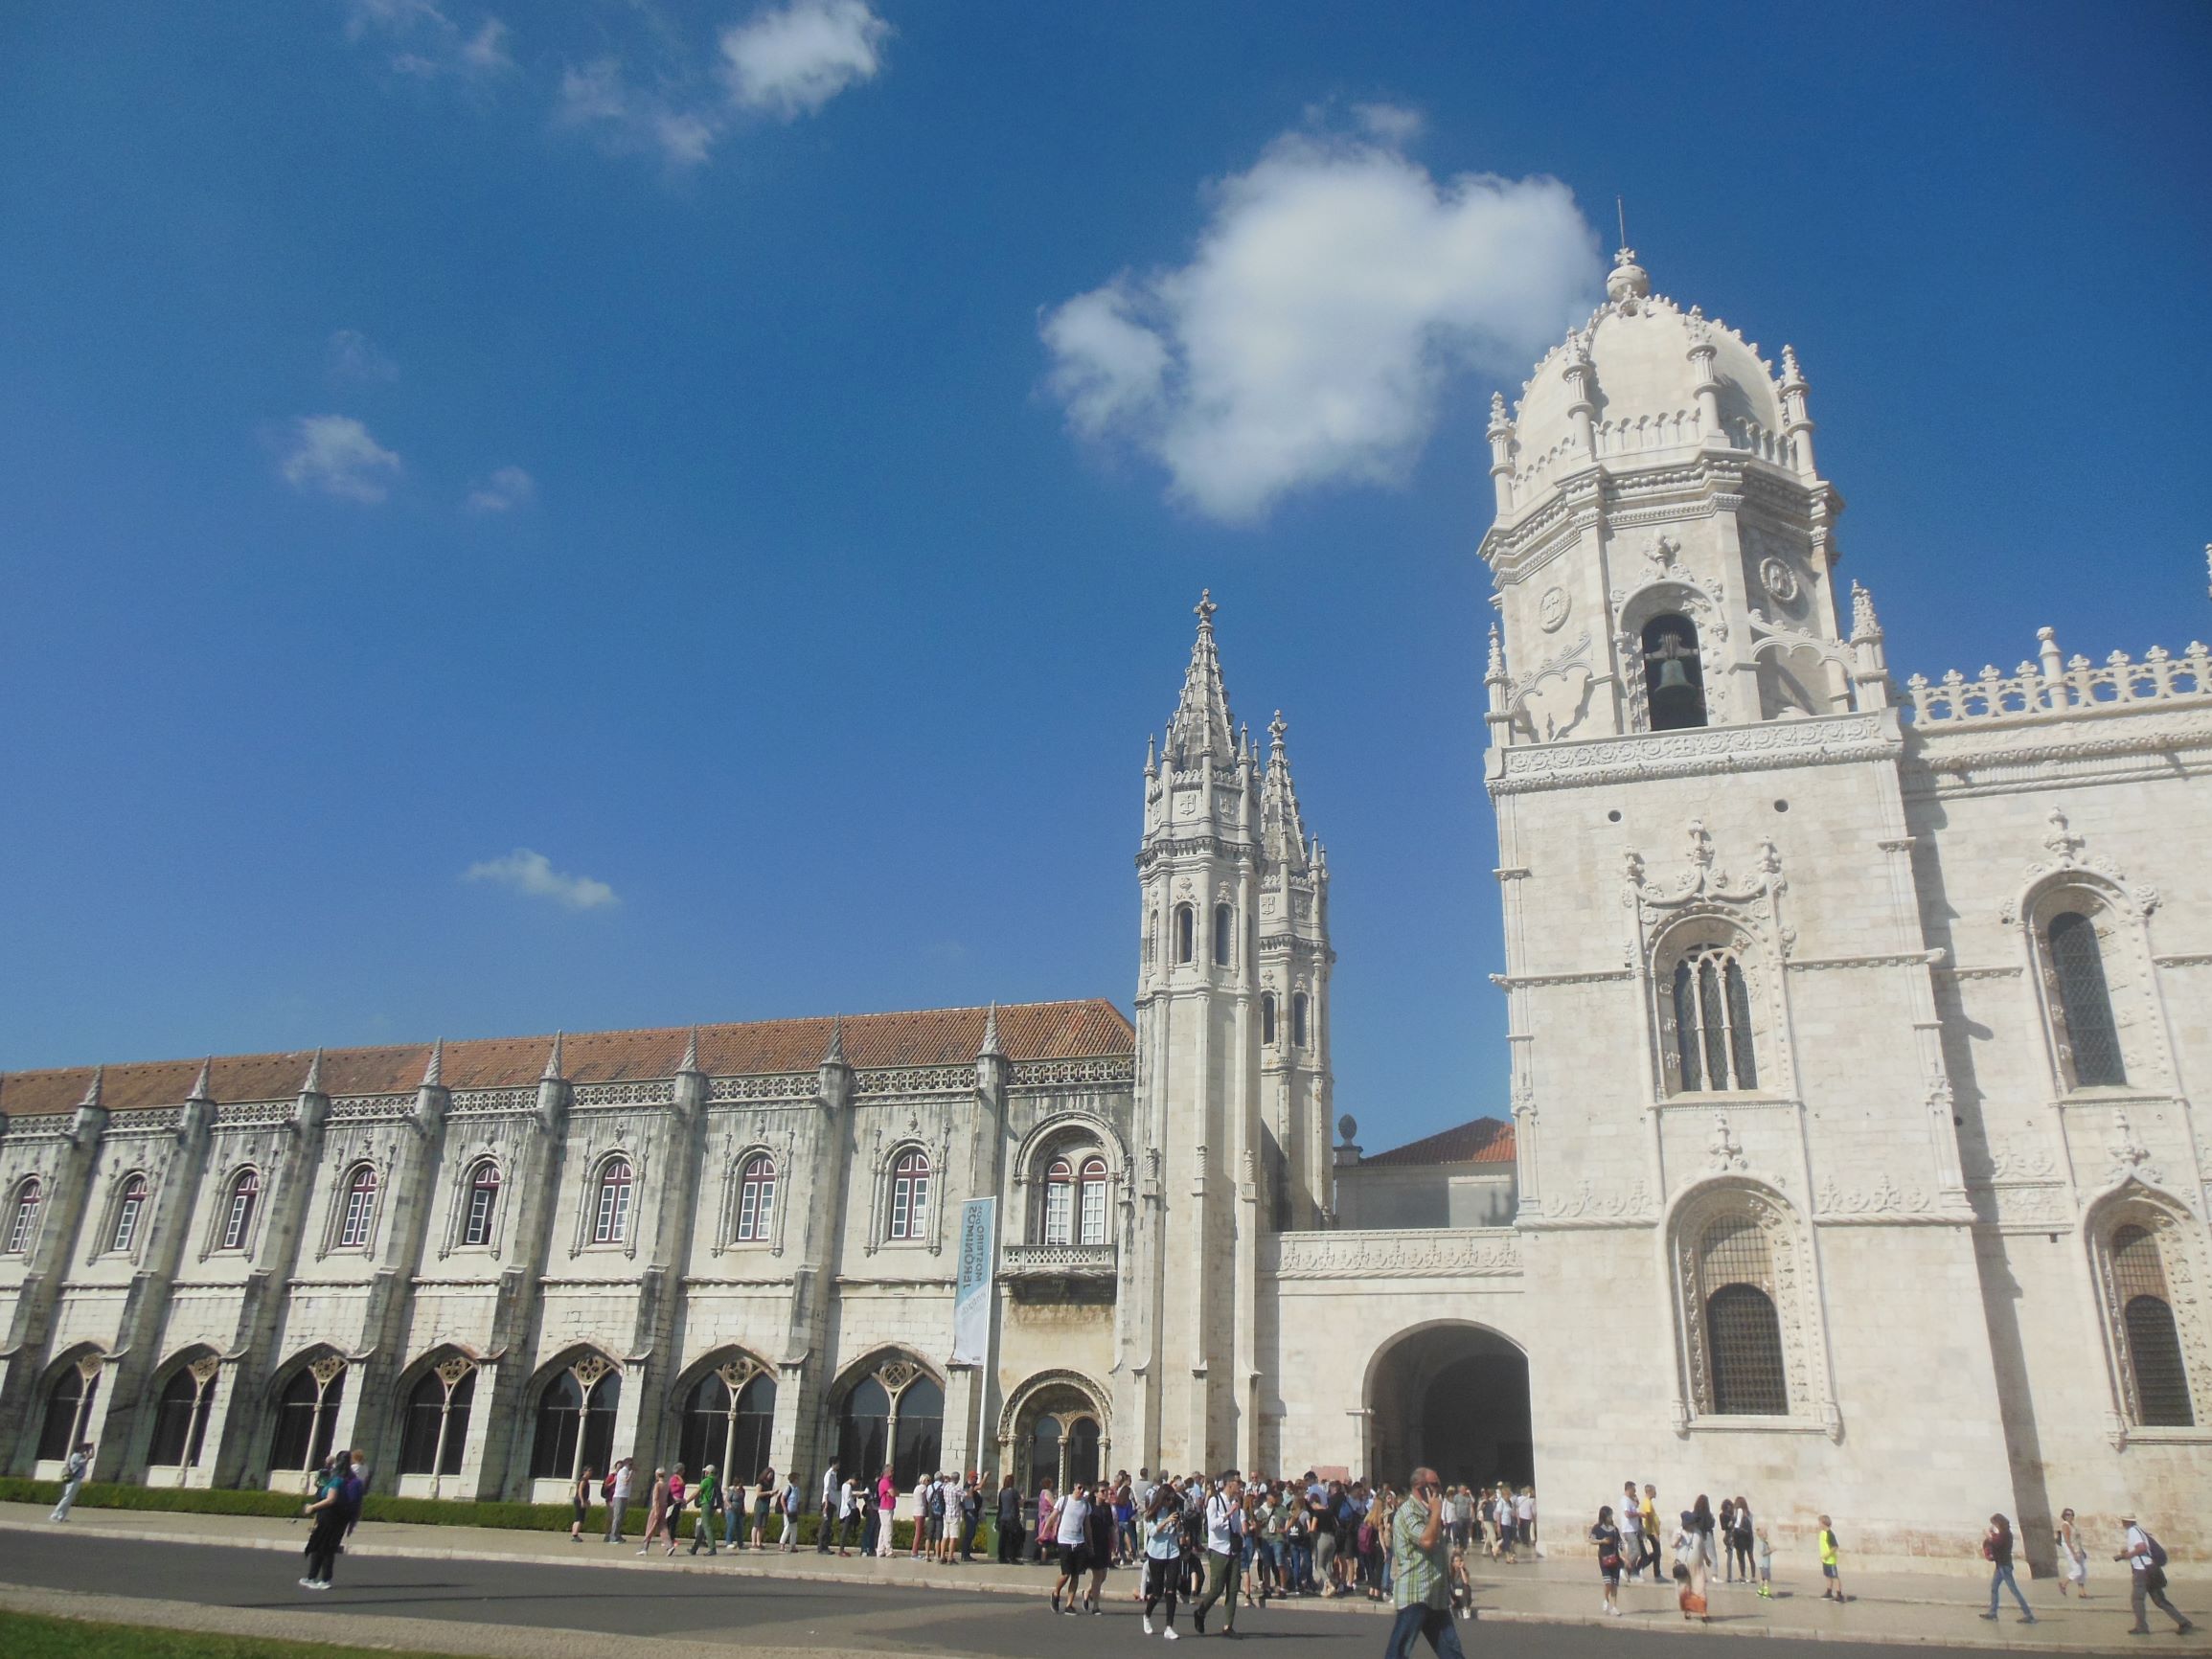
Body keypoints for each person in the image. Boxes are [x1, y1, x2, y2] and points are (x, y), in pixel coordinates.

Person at [1384, 1466, 1467, 1659]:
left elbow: (1438, 1554)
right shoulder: (1408, 1511)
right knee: (1399, 1650)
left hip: (1436, 1595)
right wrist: (1437, 1511)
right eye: (1435, 1485)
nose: (1440, 1489)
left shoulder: (1430, 1513)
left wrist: (1449, 1589)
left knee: (1451, 1650)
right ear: (1420, 1487)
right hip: (1416, 1593)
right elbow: (1427, 1541)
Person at [2117, 1514, 2193, 1636]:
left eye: (2122, 1521)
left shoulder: (2132, 1531)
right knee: (2159, 1600)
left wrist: (2128, 1555)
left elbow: (2141, 1548)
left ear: (2126, 1522)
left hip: (2142, 1571)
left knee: (2137, 1599)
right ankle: (2184, 1622)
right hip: (2150, 1569)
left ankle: (2141, 1627)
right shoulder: (2139, 1530)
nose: (2121, 1523)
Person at [1192, 1471, 1244, 1636]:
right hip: (1219, 1550)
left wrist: (1240, 1539)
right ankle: (1200, 1612)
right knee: (1217, 1588)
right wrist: (1228, 1514)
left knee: (1233, 1588)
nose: (1240, 1485)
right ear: (1229, 1483)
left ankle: (1228, 1626)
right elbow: (1212, 1526)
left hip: (1233, 1550)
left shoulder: (1235, 1502)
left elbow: (1236, 1526)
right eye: (1238, 1482)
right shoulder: (1215, 1501)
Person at [1049, 1478, 1094, 1613]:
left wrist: (1090, 1543)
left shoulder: (1085, 1505)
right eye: (1079, 1488)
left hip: (1079, 1541)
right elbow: (1052, 1517)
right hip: (1064, 1541)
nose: (1081, 1491)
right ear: (1074, 1487)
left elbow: (1087, 1526)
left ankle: (1069, 1604)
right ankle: (1056, 1592)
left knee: (1076, 1574)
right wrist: (1046, 1531)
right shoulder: (1064, 1500)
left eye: (1083, 1489)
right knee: (1066, 1573)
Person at [1979, 1512, 2034, 1624]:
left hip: (2004, 1566)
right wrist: (1992, 1535)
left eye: (1994, 1524)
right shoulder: (2004, 1534)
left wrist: (1989, 1536)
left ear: (1999, 1523)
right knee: (1994, 1588)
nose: (1994, 1526)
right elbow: (1996, 1542)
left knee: (2014, 1590)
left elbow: (1997, 1544)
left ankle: (2028, 1614)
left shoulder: (2006, 1534)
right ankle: (1993, 1613)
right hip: (2000, 1566)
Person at [1590, 1505, 1625, 1618]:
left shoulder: (1614, 1529)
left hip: (1615, 1559)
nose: (1611, 1517)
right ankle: (1605, 1599)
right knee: (1608, 1582)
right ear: (1604, 1516)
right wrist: (1602, 1541)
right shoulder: (1597, 1528)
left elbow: (1620, 1542)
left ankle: (1614, 1607)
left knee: (1615, 1583)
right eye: (1609, 1515)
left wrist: (1625, 1555)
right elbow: (1591, 1540)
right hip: (1604, 1559)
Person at [49, 1442, 92, 1523]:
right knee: (67, 1498)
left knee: (70, 1499)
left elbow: (90, 1457)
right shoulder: (76, 1456)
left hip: (77, 1479)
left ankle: (61, 1516)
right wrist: (87, 1455)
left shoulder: (80, 1456)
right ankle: (54, 1515)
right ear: (79, 1449)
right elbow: (84, 1462)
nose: (84, 1449)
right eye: (83, 1448)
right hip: (73, 1479)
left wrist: (91, 1448)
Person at [2055, 1508, 2088, 1599]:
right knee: (2077, 1570)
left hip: (2078, 1549)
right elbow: (2067, 1540)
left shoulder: (2073, 1525)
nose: (2070, 1516)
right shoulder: (2065, 1525)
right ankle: (2063, 1583)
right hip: (2071, 1550)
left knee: (2083, 1570)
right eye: (2068, 1514)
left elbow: (2077, 1540)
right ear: (2064, 1516)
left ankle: (2081, 1592)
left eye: (2072, 1514)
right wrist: (2073, 1553)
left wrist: (2082, 1551)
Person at [638, 1466, 671, 1554]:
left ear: (657, 1475)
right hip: (664, 1507)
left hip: (657, 1507)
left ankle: (644, 1548)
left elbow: (655, 1499)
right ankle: (669, 1546)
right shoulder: (667, 1485)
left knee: (650, 1527)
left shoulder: (657, 1485)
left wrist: (656, 1510)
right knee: (663, 1527)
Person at [689, 1465, 719, 1556]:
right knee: (702, 1528)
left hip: (706, 1504)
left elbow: (697, 1492)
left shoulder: (706, 1481)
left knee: (706, 1526)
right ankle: (694, 1549)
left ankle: (712, 1548)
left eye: (705, 1471)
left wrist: (687, 1501)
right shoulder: (715, 1481)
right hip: (712, 1505)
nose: (705, 1473)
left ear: (708, 1472)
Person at [662, 1465, 689, 1557]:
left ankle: (671, 1538)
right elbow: (681, 1485)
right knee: (671, 1521)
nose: (684, 1472)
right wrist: (678, 1476)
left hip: (678, 1502)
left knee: (674, 1521)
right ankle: (669, 1539)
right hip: (674, 1502)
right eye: (682, 1470)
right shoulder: (674, 1478)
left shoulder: (678, 1478)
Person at [997, 1472, 1024, 1564]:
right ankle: (1013, 1557)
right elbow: (1021, 1503)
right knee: (1015, 1538)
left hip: (1003, 1517)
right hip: (1012, 1518)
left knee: (1003, 1538)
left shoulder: (1002, 1492)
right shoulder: (1013, 1491)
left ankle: (1001, 1557)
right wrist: (1022, 1496)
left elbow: (1000, 1505)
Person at [1817, 1513, 1843, 1602]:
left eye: (1820, 1523)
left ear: (1824, 1523)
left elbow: (1835, 1547)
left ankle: (1839, 1595)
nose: (1819, 1525)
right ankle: (1829, 1593)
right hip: (1825, 1560)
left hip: (1830, 1560)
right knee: (1827, 1576)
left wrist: (1827, 1555)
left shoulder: (1830, 1534)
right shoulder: (1822, 1533)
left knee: (1835, 1577)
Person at [606, 1458, 633, 1543]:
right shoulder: (623, 1471)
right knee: (617, 1517)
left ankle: (617, 1534)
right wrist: (631, 1474)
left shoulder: (627, 1472)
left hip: (624, 1496)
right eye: (631, 1464)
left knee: (621, 1517)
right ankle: (613, 1536)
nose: (632, 1466)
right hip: (619, 1496)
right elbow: (626, 1482)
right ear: (627, 1464)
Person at [817, 1460, 839, 1554]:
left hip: (832, 1502)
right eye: (838, 1464)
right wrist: (826, 1503)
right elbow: (826, 1489)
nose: (839, 1465)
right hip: (828, 1502)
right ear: (833, 1464)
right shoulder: (828, 1475)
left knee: (828, 1525)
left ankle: (825, 1546)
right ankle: (822, 1547)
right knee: (825, 1525)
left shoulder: (834, 1475)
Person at [751, 1467, 776, 1550]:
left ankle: (759, 1542)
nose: (770, 1476)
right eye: (770, 1474)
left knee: (762, 1525)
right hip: (760, 1504)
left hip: (766, 1504)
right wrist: (768, 1492)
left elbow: (768, 1495)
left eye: (772, 1475)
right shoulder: (760, 1482)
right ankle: (753, 1542)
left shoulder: (769, 1484)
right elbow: (758, 1494)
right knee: (756, 1524)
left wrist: (774, 1493)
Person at [876, 1465, 898, 1557]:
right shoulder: (885, 1481)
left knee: (883, 1530)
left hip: (889, 1508)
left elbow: (896, 1492)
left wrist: (893, 1492)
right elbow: (893, 1493)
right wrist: (892, 1492)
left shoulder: (890, 1482)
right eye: (892, 1471)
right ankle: (889, 1550)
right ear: (887, 1472)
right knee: (888, 1529)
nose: (893, 1472)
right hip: (886, 1508)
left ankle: (880, 1550)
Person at [571, 1465, 596, 1542]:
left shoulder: (585, 1480)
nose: (591, 1472)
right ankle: (575, 1535)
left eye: (591, 1471)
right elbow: (580, 1490)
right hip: (579, 1500)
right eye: (589, 1471)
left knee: (579, 1518)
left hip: (582, 1499)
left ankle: (574, 1534)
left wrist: (587, 1500)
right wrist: (582, 1500)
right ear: (585, 1472)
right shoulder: (583, 1480)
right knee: (579, 1518)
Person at [779, 1470, 802, 1551]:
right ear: (794, 1479)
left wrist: (798, 1509)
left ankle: (793, 1545)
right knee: (787, 1527)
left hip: (794, 1511)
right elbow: (782, 1499)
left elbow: (798, 1501)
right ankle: (782, 1544)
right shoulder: (788, 1488)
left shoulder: (797, 1489)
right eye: (797, 1478)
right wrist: (785, 1508)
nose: (798, 1480)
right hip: (788, 1511)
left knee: (794, 1528)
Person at [1754, 1524, 1774, 1599]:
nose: (1767, 1535)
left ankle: (1760, 1591)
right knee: (1766, 1579)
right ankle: (1765, 1592)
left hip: (1762, 1563)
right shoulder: (1762, 1543)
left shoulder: (1763, 1542)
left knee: (1762, 1578)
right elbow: (1763, 1553)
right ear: (1762, 1535)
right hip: (1764, 1564)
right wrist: (1771, 1551)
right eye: (1766, 1534)